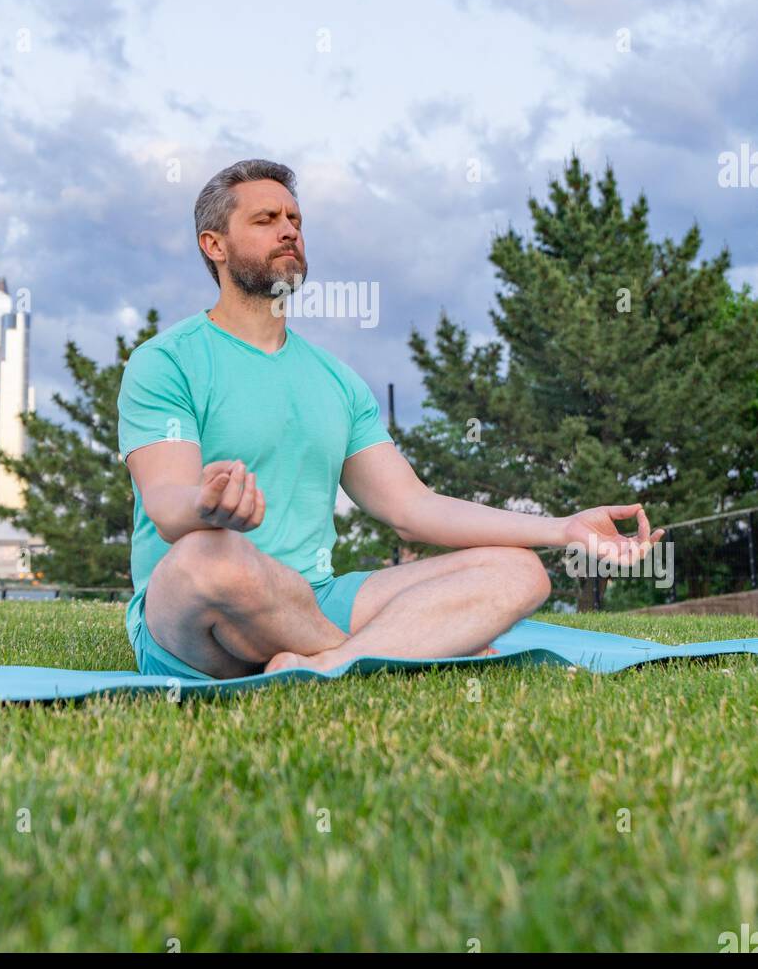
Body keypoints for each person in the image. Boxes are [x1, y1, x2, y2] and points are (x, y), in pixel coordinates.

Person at [117, 158, 663, 680]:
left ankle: (329, 665)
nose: (288, 231)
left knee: (518, 570)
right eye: (266, 219)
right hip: (196, 615)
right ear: (214, 245)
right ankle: (402, 647)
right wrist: (205, 505)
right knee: (207, 557)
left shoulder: (336, 380)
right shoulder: (167, 361)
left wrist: (562, 528)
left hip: (315, 599)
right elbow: (167, 506)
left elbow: (412, 508)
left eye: (295, 220)